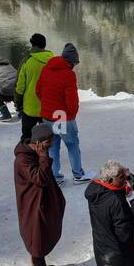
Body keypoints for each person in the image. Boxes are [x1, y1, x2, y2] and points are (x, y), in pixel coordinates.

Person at [14, 123, 68, 266]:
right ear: (40, 142)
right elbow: (40, 178)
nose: (51, 145)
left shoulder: (34, 153)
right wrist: (44, 157)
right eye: (49, 142)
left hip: (41, 203)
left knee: (38, 236)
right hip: (33, 206)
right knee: (36, 239)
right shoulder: (23, 160)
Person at [36, 42, 87, 185]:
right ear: (71, 62)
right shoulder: (68, 74)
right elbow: (71, 99)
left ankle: (55, 177)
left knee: (52, 146)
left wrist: (47, 106)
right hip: (62, 116)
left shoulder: (46, 69)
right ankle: (78, 175)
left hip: (47, 115)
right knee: (72, 144)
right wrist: (72, 113)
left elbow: (38, 90)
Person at [15, 34, 55, 141]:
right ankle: (45, 157)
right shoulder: (53, 60)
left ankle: (28, 156)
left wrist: (18, 103)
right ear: (44, 45)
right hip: (48, 107)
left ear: (32, 45)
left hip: (30, 108)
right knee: (47, 138)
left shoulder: (27, 61)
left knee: (27, 137)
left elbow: (20, 86)